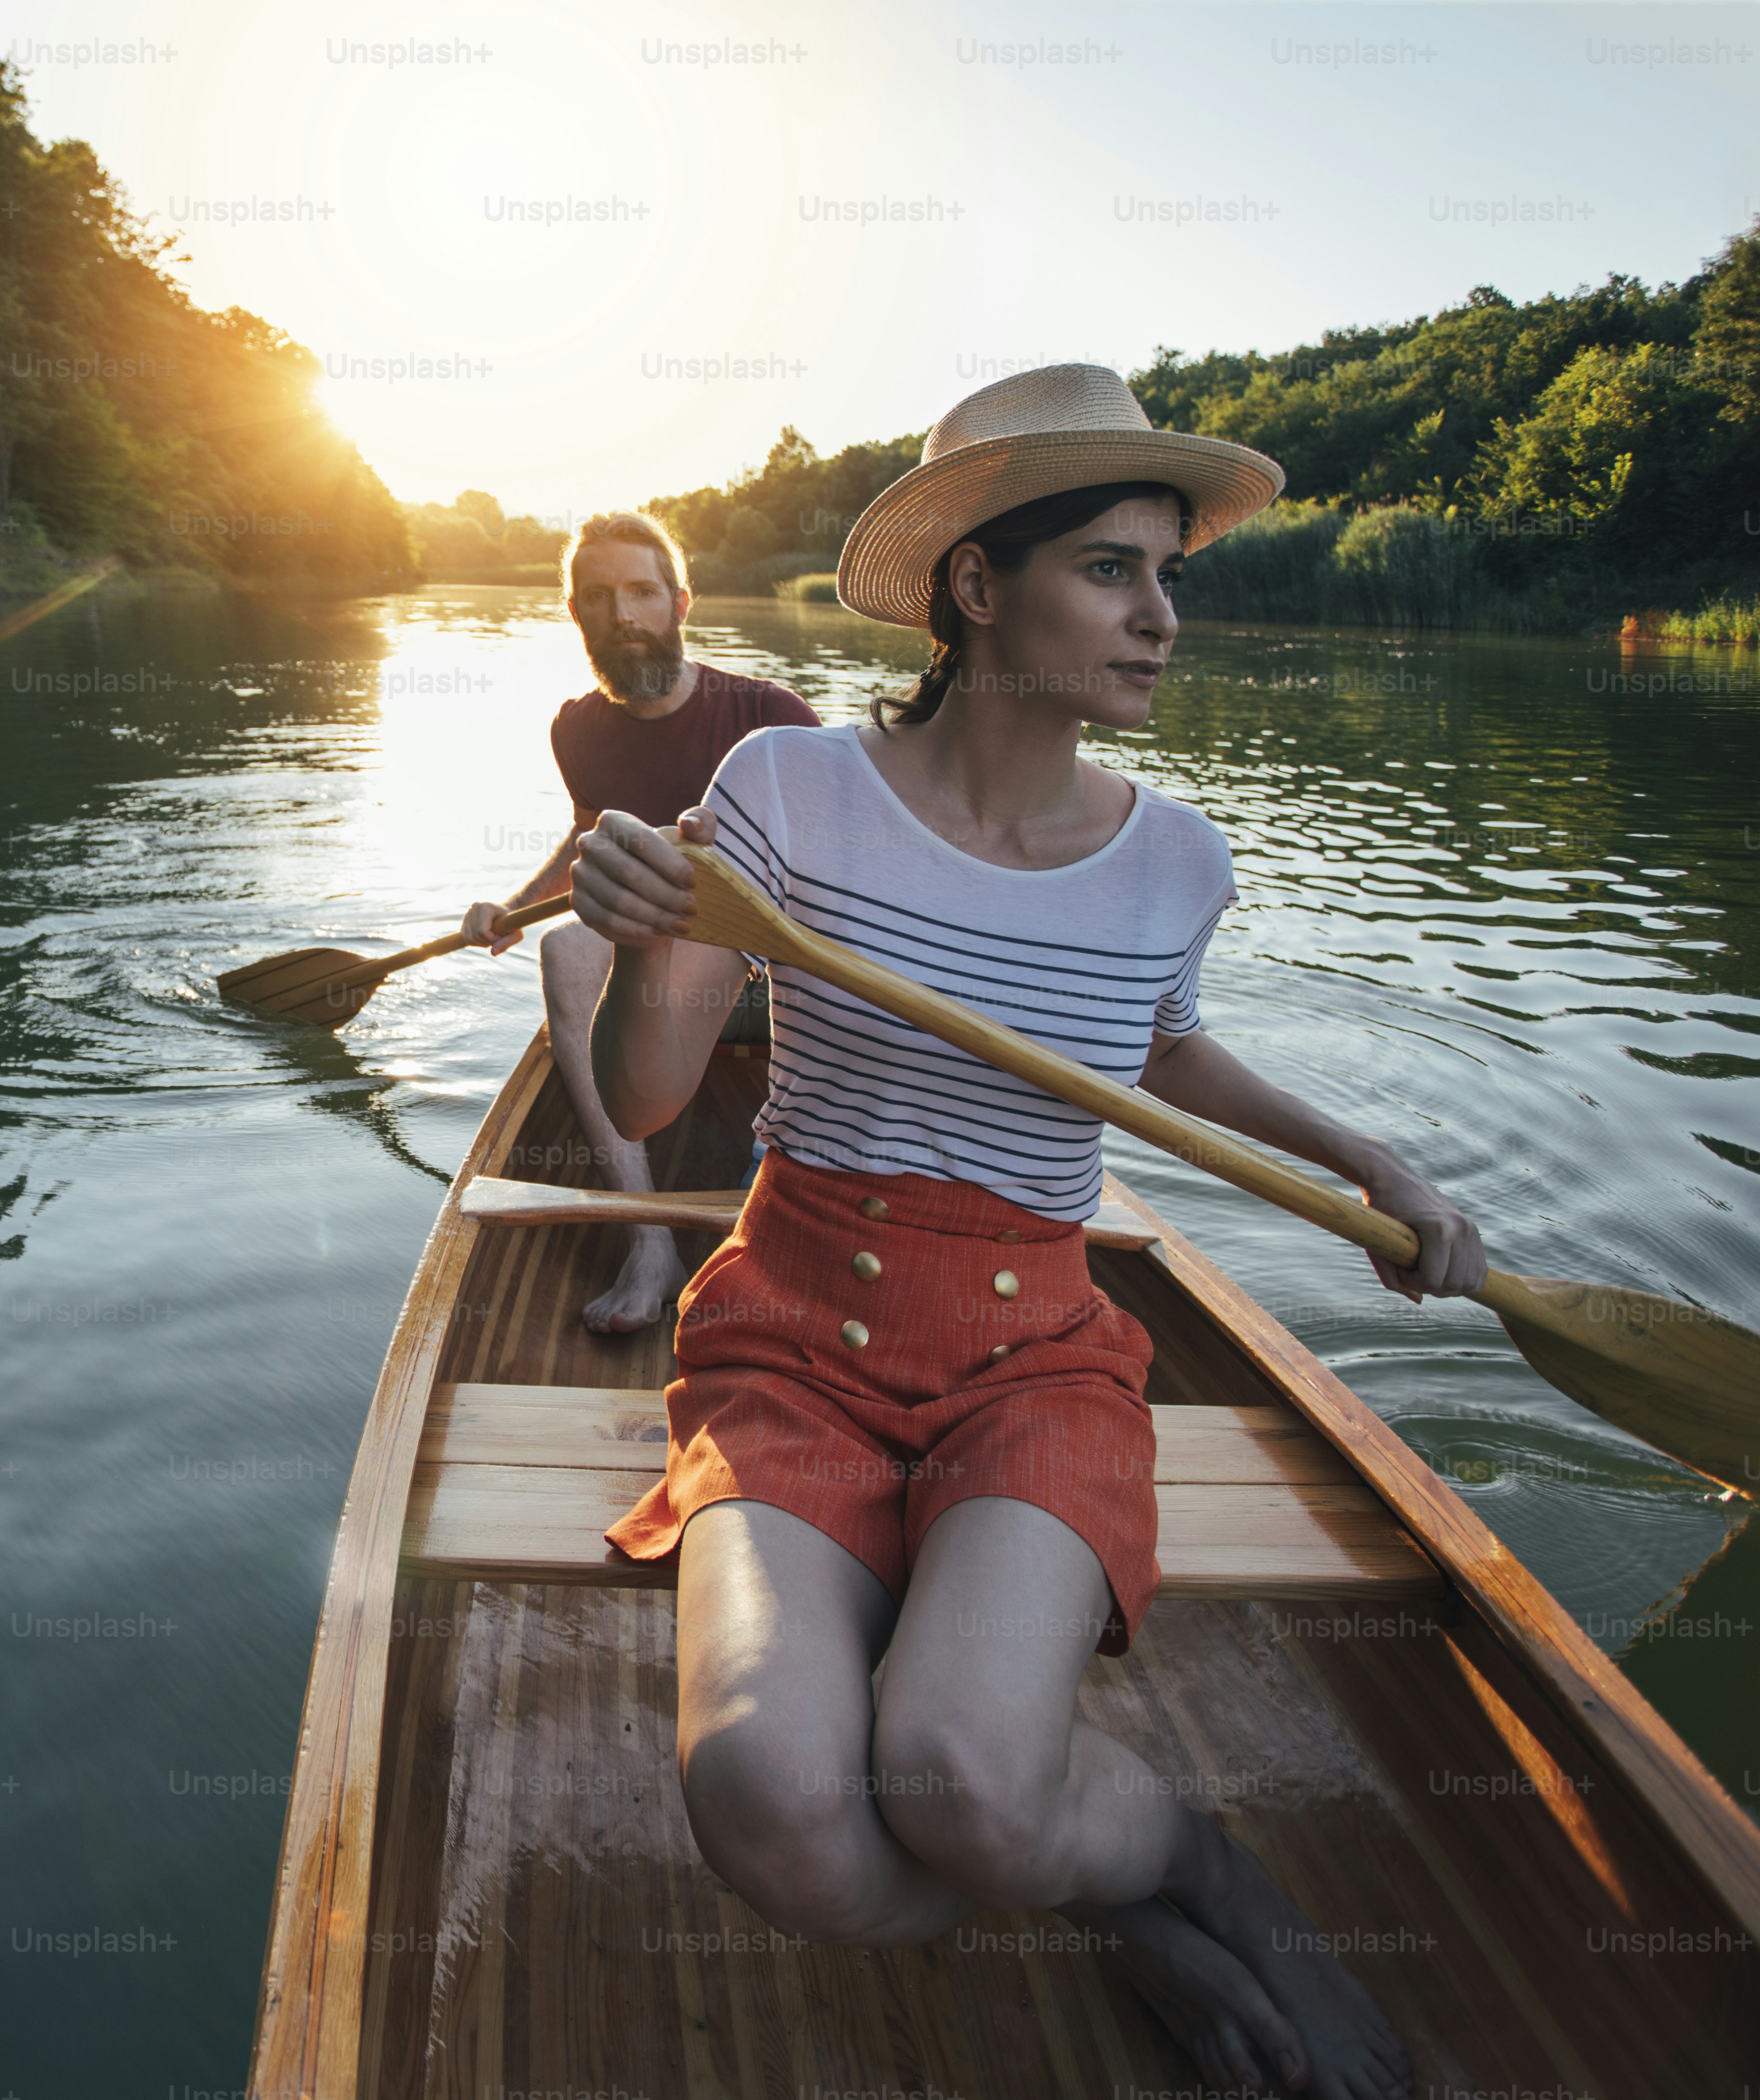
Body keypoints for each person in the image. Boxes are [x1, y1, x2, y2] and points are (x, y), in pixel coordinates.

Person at [565, 366, 1482, 2100]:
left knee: (968, 1783)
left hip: (1033, 1354)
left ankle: (1186, 1862)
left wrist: (1376, 1167)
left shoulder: (1173, 861)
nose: (1162, 618)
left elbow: (1162, 1049)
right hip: (789, 1336)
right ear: (978, 588)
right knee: (777, 1809)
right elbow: (652, 1076)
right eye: (1114, 572)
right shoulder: (786, 793)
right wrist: (637, 938)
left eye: (1171, 576)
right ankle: (1112, 1895)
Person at [460, 510, 818, 1333]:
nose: (623, 615)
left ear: (681, 604)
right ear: (575, 614)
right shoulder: (577, 727)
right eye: (598, 596)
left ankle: (795, 1188)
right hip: (649, 976)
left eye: (642, 593)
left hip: (777, 981)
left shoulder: (770, 719)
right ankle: (647, 1241)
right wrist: (512, 907)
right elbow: (587, 837)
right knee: (564, 947)